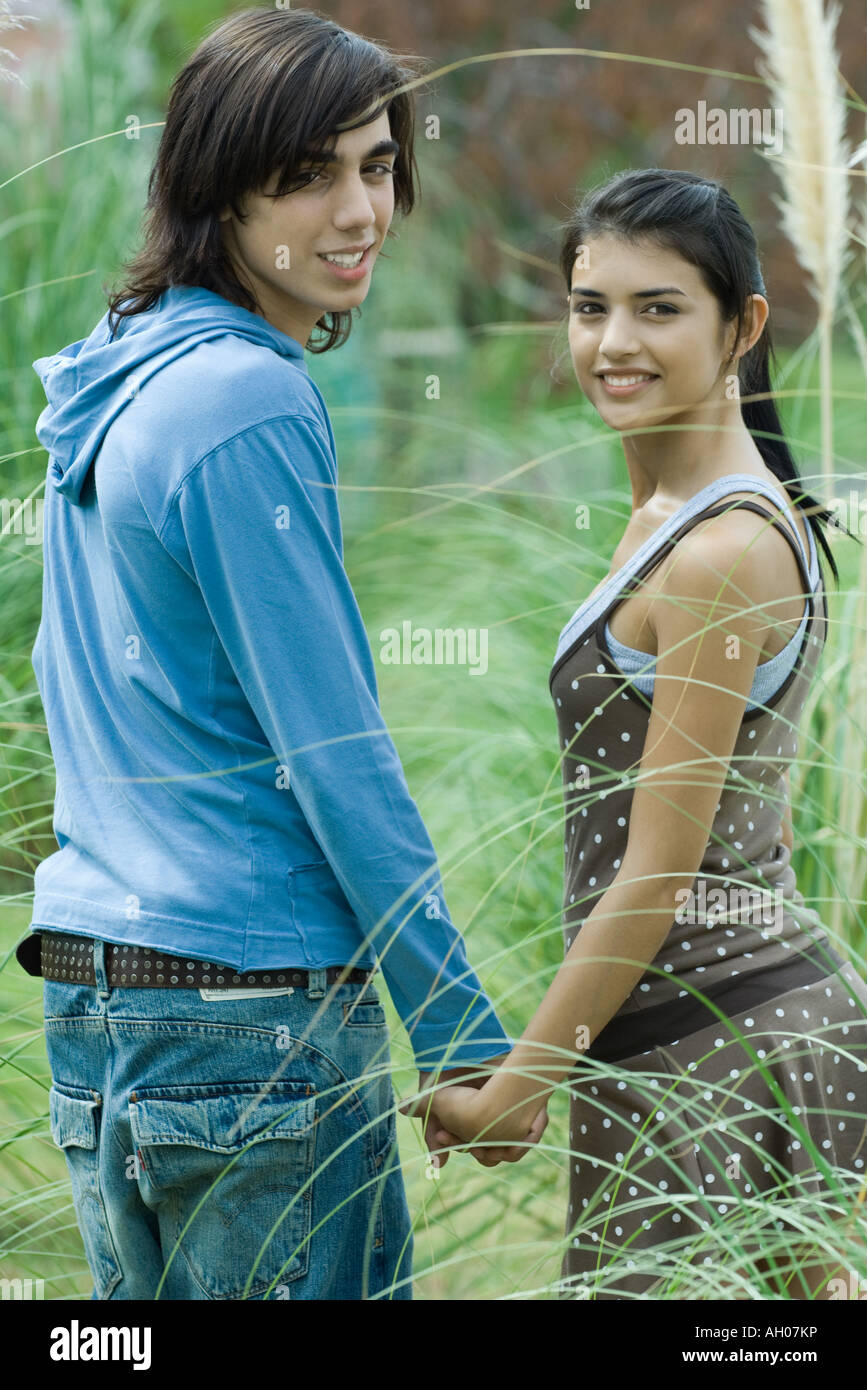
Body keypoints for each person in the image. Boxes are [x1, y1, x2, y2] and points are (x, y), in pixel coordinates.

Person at [15, 6, 546, 1302]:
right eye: (305, 174)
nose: (359, 207)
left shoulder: (118, 380)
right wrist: (472, 1037)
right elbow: (334, 753)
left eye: (374, 164)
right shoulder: (244, 399)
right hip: (252, 1021)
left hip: (100, 1006)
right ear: (218, 192)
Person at [401, 168, 867, 1300]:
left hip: (715, 1035)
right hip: (699, 1019)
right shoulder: (677, 511)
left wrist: (523, 1080)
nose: (614, 340)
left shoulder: (723, 553)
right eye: (589, 304)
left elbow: (655, 870)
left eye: (659, 308)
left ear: (743, 326)